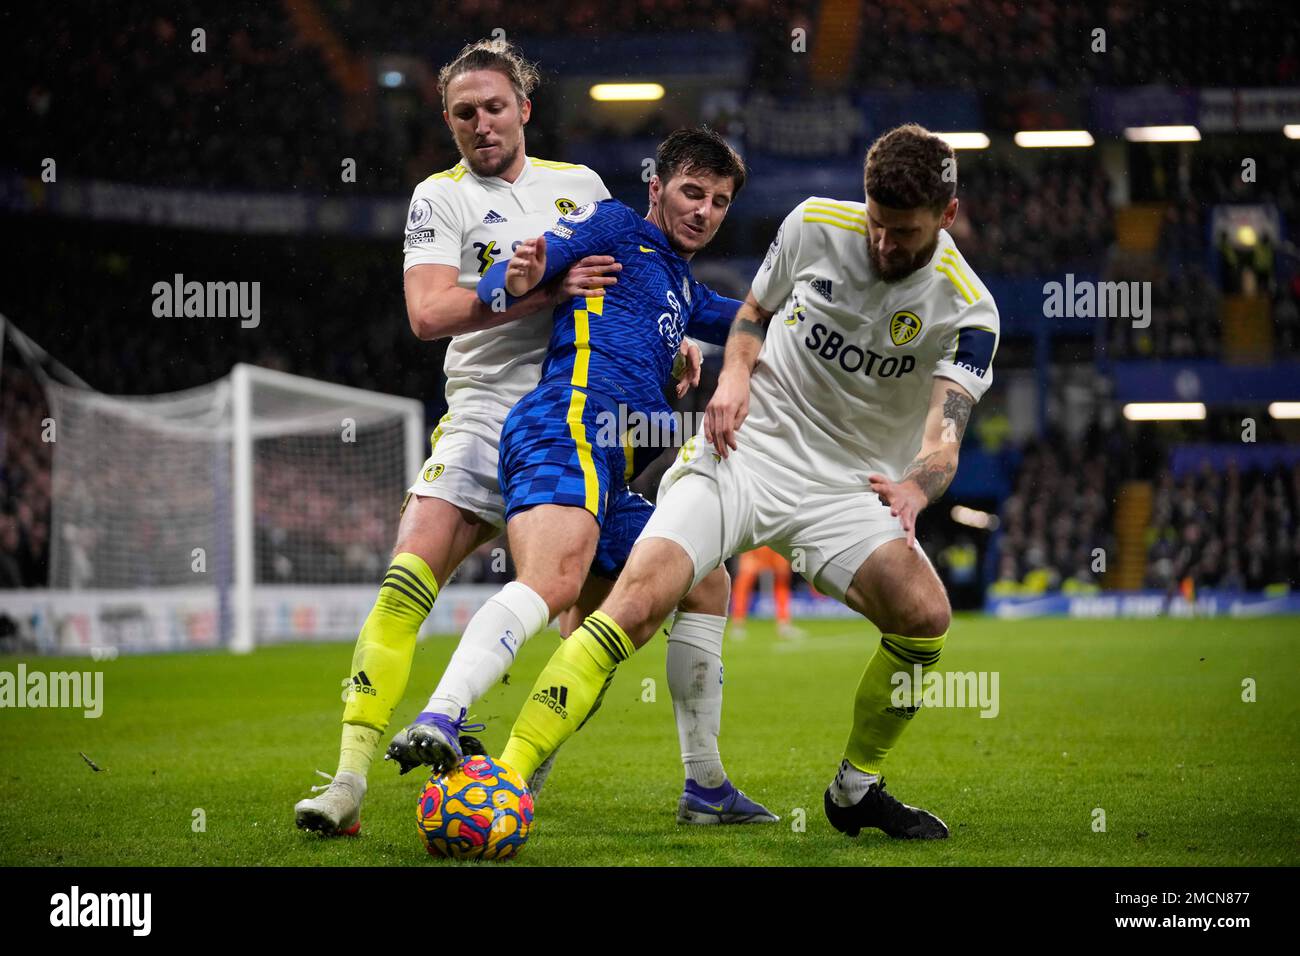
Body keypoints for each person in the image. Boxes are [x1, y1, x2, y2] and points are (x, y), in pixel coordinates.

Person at [495, 123, 1001, 841]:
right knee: (635, 603)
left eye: (906, 234)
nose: (885, 245)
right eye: (878, 225)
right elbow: (754, 314)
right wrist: (732, 379)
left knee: (925, 618)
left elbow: (943, 437)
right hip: (744, 449)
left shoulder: (969, 309)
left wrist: (918, 487)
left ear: (946, 218)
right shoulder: (813, 225)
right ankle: (510, 779)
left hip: (847, 488)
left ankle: (856, 789)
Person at [294, 38, 692, 835]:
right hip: (481, 412)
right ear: (448, 121)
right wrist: (540, 294)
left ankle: (520, 776)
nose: (482, 123)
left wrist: (668, 338)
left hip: (578, 412)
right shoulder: (438, 198)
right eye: (464, 113)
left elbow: (638, 273)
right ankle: (345, 786)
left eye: (495, 107)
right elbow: (427, 314)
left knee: (605, 612)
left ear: (525, 110)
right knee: (407, 577)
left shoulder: (578, 186)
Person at [389, 127, 779, 825]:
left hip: (608, 471)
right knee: (553, 581)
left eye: (719, 201)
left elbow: (756, 323)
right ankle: (441, 716)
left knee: (702, 579)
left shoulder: (685, 291)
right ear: (657, 188)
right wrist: (518, 271)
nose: (704, 211)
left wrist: (842, 319)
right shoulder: (615, 225)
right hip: (562, 424)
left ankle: (703, 786)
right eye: (692, 192)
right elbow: (536, 263)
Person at [730, 546, 805, 639]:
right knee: (744, 581)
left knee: (782, 580)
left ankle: (784, 625)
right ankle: (738, 625)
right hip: (755, 543)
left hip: (775, 543)